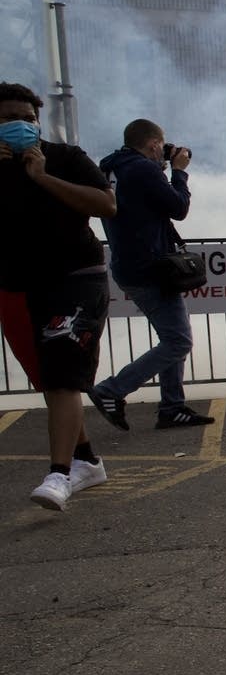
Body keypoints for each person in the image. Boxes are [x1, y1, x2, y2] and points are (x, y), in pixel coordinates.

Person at [0, 82, 117, 511]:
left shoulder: (67, 157)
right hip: (16, 285)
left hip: (75, 277)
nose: (17, 125)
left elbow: (107, 205)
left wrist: (43, 177)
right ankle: (88, 461)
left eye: (25, 118)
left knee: (64, 372)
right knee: (47, 377)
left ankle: (59, 474)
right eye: (6, 118)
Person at [89, 119, 213, 431]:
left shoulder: (112, 168)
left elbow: (143, 199)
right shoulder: (142, 169)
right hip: (151, 268)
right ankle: (111, 390)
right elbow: (178, 207)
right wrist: (180, 172)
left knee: (173, 336)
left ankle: (172, 407)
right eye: (162, 146)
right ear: (154, 145)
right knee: (178, 341)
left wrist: (162, 164)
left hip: (132, 264)